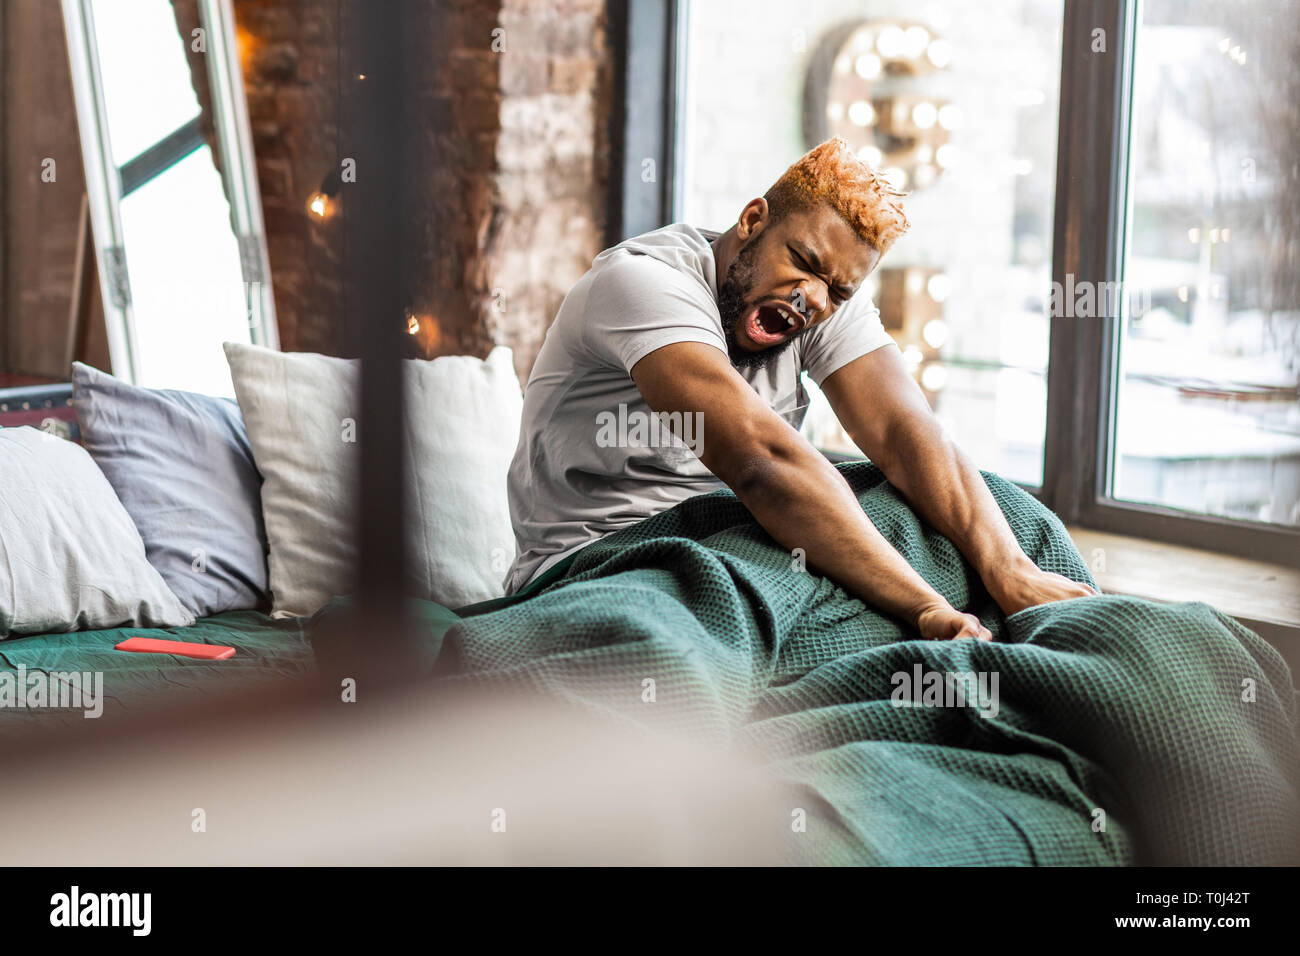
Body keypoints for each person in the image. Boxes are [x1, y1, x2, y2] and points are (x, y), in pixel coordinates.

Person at [504, 137, 1095, 639]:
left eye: (837, 292)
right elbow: (763, 462)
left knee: (1002, 513)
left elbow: (901, 430)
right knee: (866, 572)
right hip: (596, 565)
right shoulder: (642, 284)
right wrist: (926, 607)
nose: (812, 298)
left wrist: (1008, 568)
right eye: (804, 262)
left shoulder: (825, 298)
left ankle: (1062, 638)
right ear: (753, 220)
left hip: (736, 537)